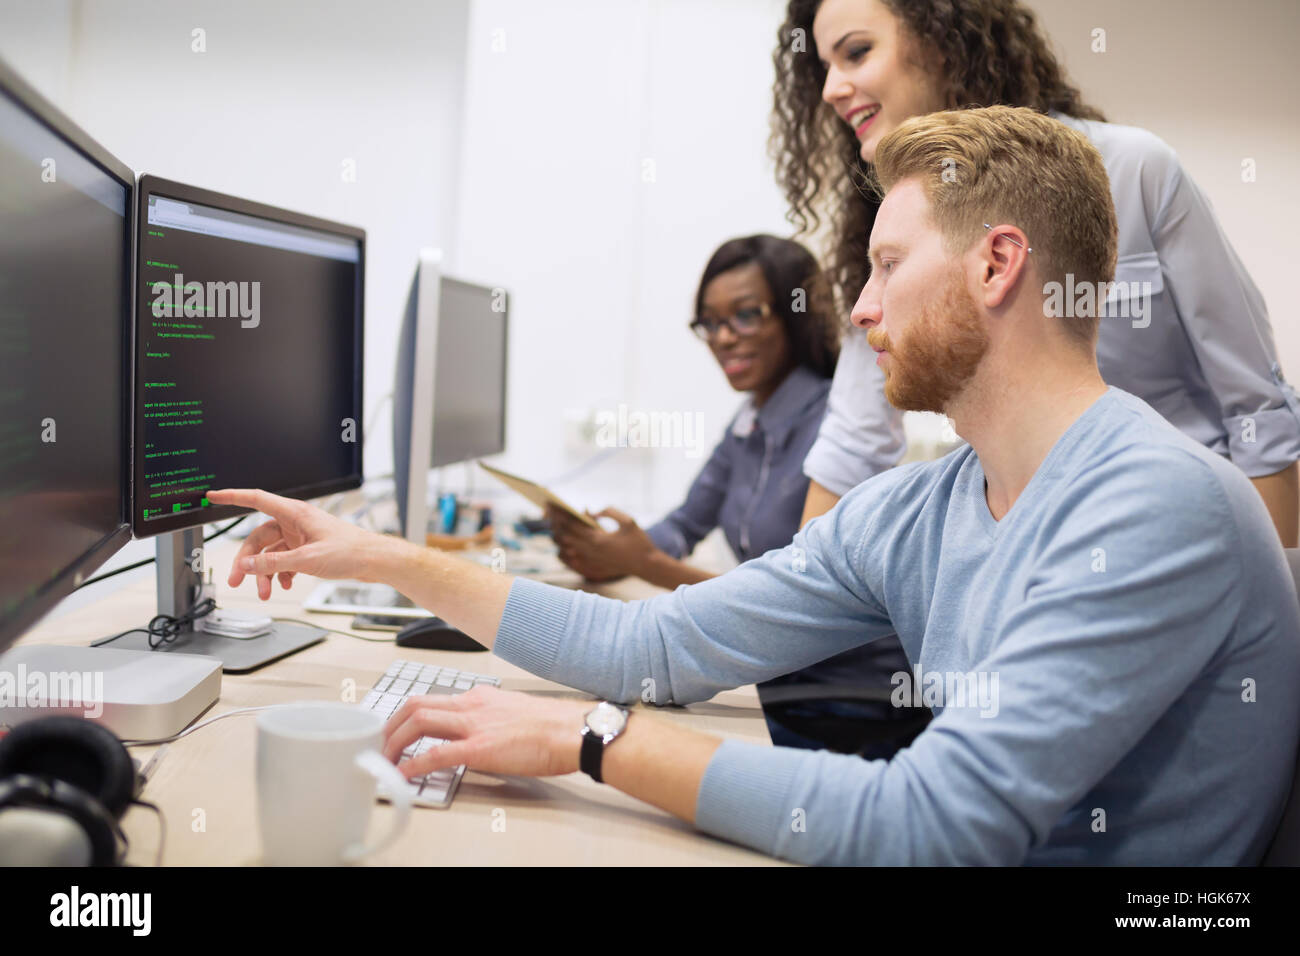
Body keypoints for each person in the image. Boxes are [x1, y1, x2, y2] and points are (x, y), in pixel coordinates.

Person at [208, 107, 1300, 865]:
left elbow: (941, 827)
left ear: (998, 264)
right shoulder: (918, 508)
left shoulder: (1156, 503)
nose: (860, 309)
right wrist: (374, 554)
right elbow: (657, 647)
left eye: (885, 264)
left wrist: (593, 741)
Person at [776, 0, 1300, 545]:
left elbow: (1259, 409)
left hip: (1184, 536)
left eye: (856, 53)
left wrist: (1272, 593)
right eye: (823, 68)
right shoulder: (892, 226)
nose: (831, 89)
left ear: (940, 39)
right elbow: (851, 441)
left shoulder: (1134, 171)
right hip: (1032, 546)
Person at [545, 235, 837, 592]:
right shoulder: (748, 422)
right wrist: (602, 553)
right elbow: (683, 526)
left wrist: (642, 562)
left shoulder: (838, 427)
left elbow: (798, 597)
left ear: (798, 315)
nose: (723, 338)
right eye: (710, 322)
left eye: (746, 315)